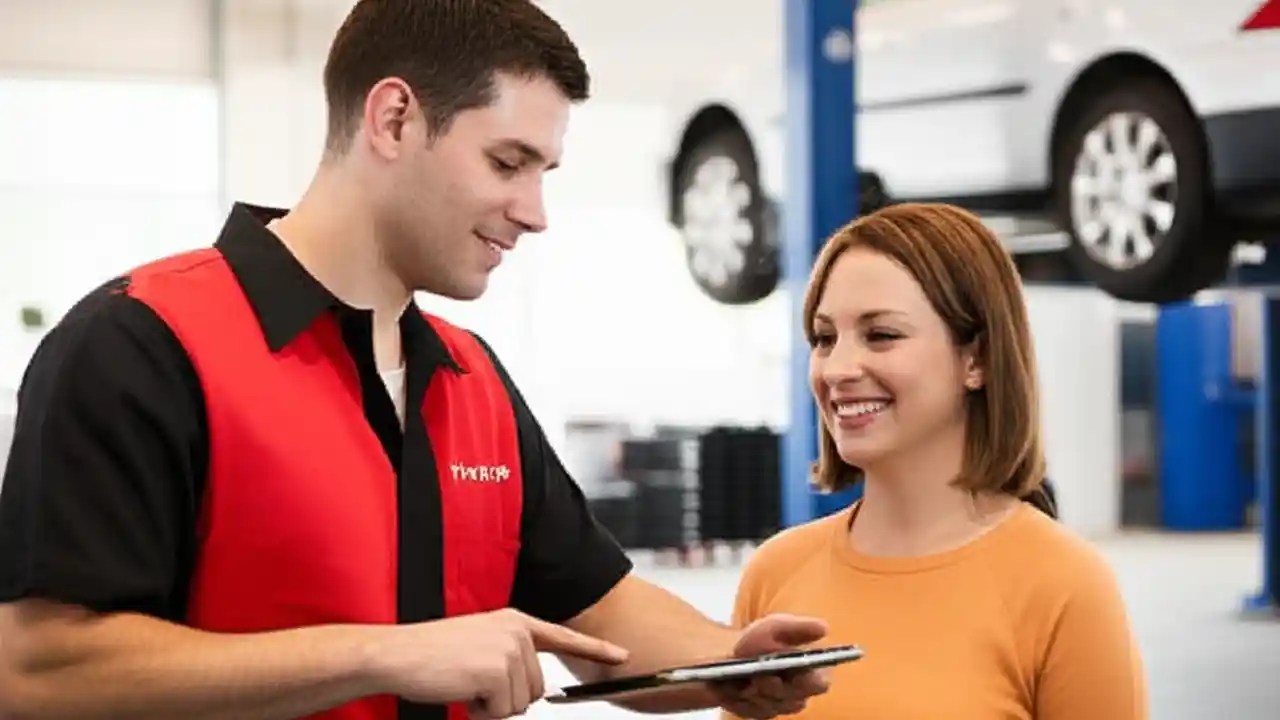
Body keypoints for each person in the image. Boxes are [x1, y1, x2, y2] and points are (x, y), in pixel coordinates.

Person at [0, 2, 831, 719]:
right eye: (507, 164)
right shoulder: (142, 343)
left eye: (544, 172)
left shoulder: (473, 381)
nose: (534, 213)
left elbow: (602, 609)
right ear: (393, 119)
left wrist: (733, 661)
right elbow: (39, 671)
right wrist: (382, 655)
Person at [725, 203, 1148, 719]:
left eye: (881, 335)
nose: (837, 368)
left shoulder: (1066, 586)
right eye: (825, 338)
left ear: (977, 360)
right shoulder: (776, 572)